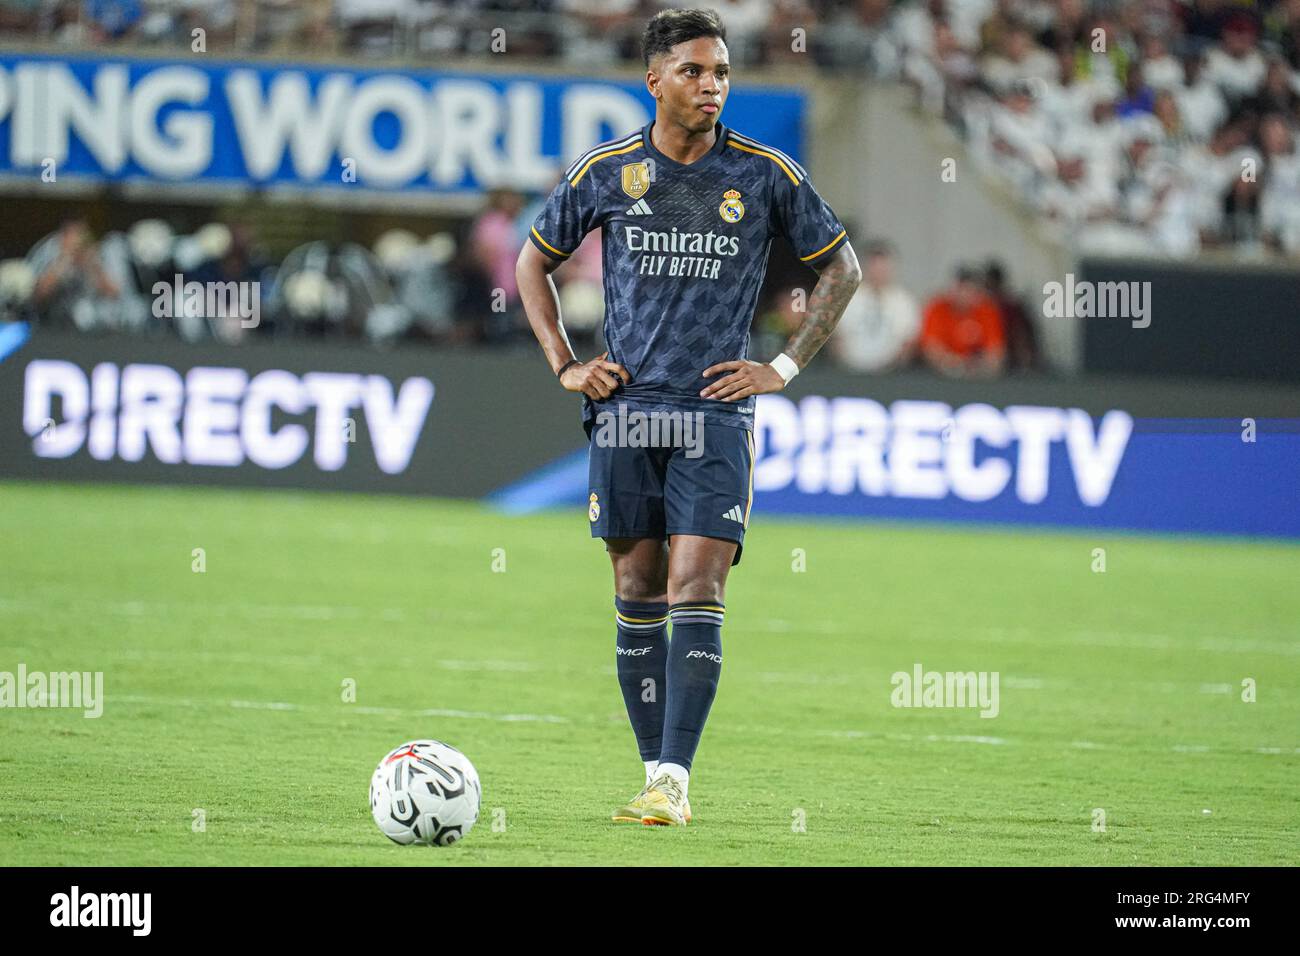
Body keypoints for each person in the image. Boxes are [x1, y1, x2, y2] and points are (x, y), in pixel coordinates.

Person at [515, 8, 861, 827]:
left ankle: (674, 778)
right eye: (696, 72)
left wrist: (780, 366)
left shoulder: (765, 172)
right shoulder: (608, 170)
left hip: (715, 416)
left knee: (695, 586)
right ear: (655, 82)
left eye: (723, 72)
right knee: (636, 590)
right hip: (628, 413)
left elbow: (840, 268)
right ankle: (649, 770)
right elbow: (534, 261)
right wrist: (566, 364)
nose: (713, 86)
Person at [831, 238, 921, 372]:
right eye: (874, 266)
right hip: (849, 373)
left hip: (891, 376)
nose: (878, 272)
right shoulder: (846, 297)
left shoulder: (904, 301)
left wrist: (891, 368)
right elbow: (835, 338)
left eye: (883, 267)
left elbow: (908, 343)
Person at [919, 264, 1006, 378]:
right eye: (961, 288)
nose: (965, 295)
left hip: (978, 377)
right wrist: (955, 363)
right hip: (941, 376)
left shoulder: (987, 310)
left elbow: (995, 352)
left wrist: (976, 366)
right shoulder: (937, 307)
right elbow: (930, 348)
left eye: (971, 290)